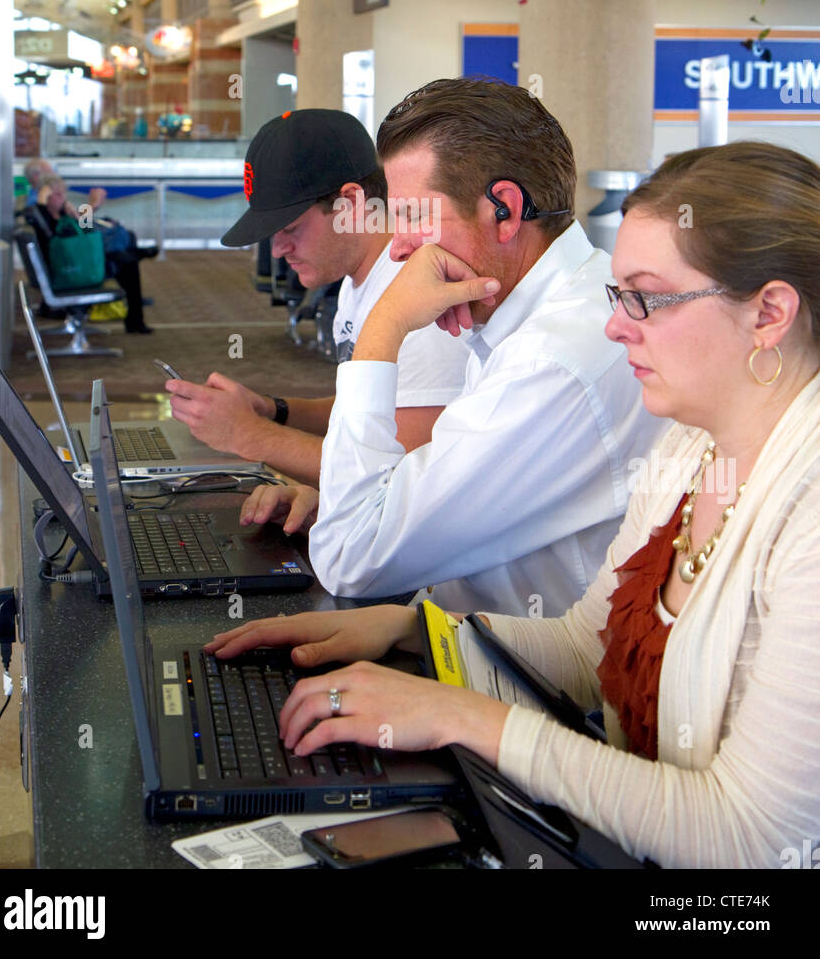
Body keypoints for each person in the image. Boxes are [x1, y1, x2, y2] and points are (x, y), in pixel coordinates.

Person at [205, 140, 820, 869]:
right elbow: (586, 645)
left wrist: (462, 716)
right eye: (617, 295)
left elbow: (751, 837)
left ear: (770, 313)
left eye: (646, 299)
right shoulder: (692, 444)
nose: (617, 325)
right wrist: (415, 631)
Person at [301, 78, 666, 615]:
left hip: (526, 678)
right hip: (478, 641)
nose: (398, 249)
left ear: (505, 210)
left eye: (412, 218)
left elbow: (351, 560)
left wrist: (383, 328)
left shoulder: (553, 360)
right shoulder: (538, 313)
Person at [164, 108, 469, 531]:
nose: (276, 249)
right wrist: (277, 412)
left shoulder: (417, 298)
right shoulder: (358, 282)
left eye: (290, 227)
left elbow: (400, 480)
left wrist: (248, 434)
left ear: (350, 204)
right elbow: (371, 410)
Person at [25, 172, 156, 334]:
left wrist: (82, 209)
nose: (62, 198)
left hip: (77, 263)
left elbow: (85, 230)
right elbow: (78, 238)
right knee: (127, 262)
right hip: (70, 270)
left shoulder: (59, 215)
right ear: (45, 197)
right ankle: (135, 322)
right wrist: (91, 205)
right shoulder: (43, 219)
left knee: (126, 258)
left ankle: (134, 255)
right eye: (57, 195)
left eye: (63, 194)